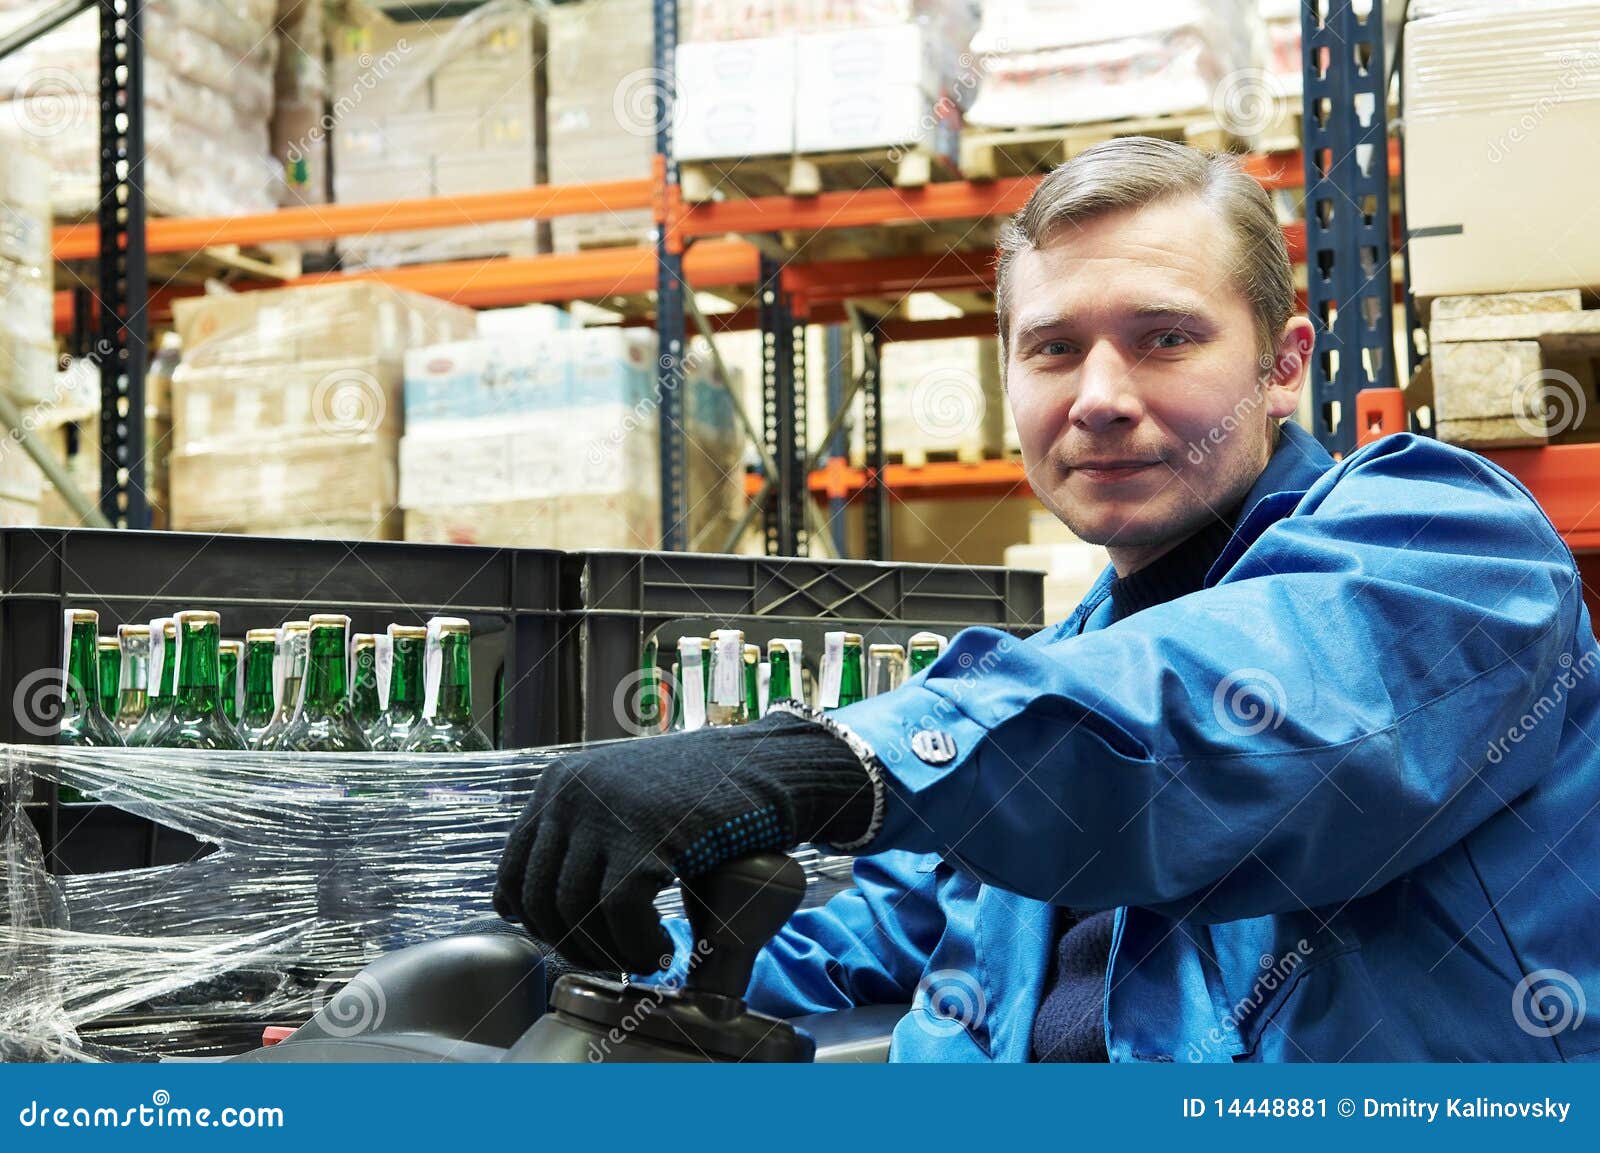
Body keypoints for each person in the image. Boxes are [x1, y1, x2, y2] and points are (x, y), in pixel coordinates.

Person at [495, 136, 1600, 1062]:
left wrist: (823, 761)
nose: (1102, 399)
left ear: (1282, 364)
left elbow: (1202, 722)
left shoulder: (1446, 544)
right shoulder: (1062, 662)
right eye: (1054, 350)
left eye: (1165, 339)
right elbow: (869, 935)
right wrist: (573, 977)